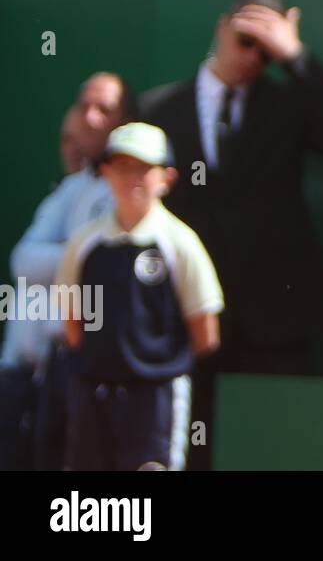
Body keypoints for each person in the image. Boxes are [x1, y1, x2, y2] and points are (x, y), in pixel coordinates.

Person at [140, 0, 323, 469]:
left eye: (267, 51)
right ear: (222, 28)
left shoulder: (289, 104)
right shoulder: (158, 108)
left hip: (276, 319)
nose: (252, 57)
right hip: (187, 316)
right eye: (246, 40)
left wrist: (296, 57)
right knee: (187, 444)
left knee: (273, 447)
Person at [56, 122, 224, 470]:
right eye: (122, 166)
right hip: (92, 396)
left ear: (166, 177)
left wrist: (153, 366)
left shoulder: (180, 243)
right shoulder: (84, 244)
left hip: (156, 399)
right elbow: (73, 326)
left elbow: (205, 334)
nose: (131, 177)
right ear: (105, 172)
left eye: (143, 167)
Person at [0, 73, 130, 470]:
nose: (90, 120)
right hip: (28, 374)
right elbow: (23, 260)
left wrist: (76, 262)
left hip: (88, 369)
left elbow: (99, 265)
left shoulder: (125, 195)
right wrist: (76, 256)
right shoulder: (71, 189)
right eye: (83, 107)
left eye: (104, 110)